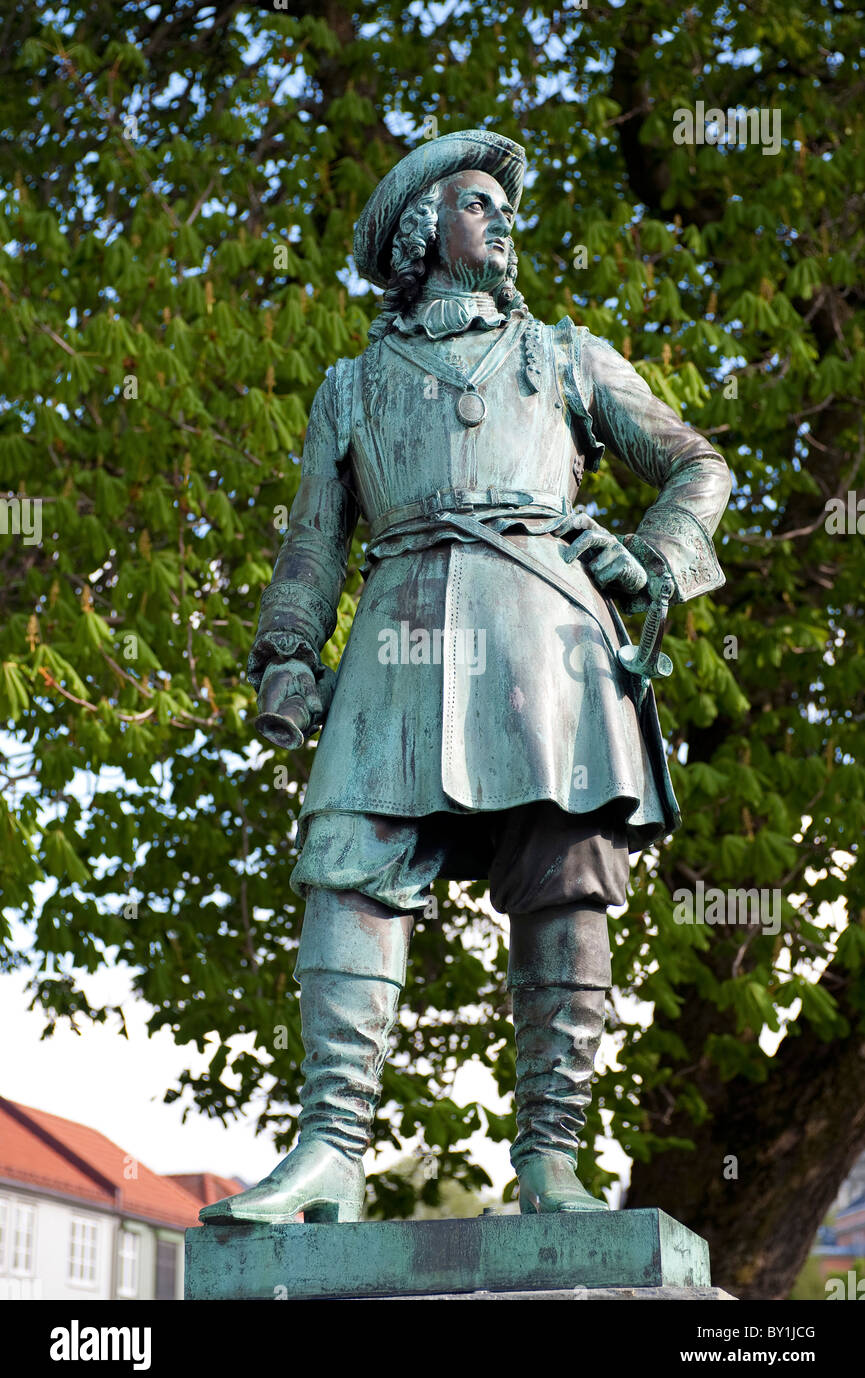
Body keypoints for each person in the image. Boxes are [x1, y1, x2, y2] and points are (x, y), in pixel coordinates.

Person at [201, 129, 731, 1225]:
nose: (504, 221)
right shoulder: (350, 387)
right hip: (395, 647)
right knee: (345, 864)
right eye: (481, 204)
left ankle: (552, 1157)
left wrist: (655, 561)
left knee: (566, 875)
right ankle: (330, 1151)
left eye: (504, 206)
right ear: (421, 229)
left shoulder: (569, 355)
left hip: (551, 647)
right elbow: (312, 544)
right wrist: (288, 659)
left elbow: (697, 462)